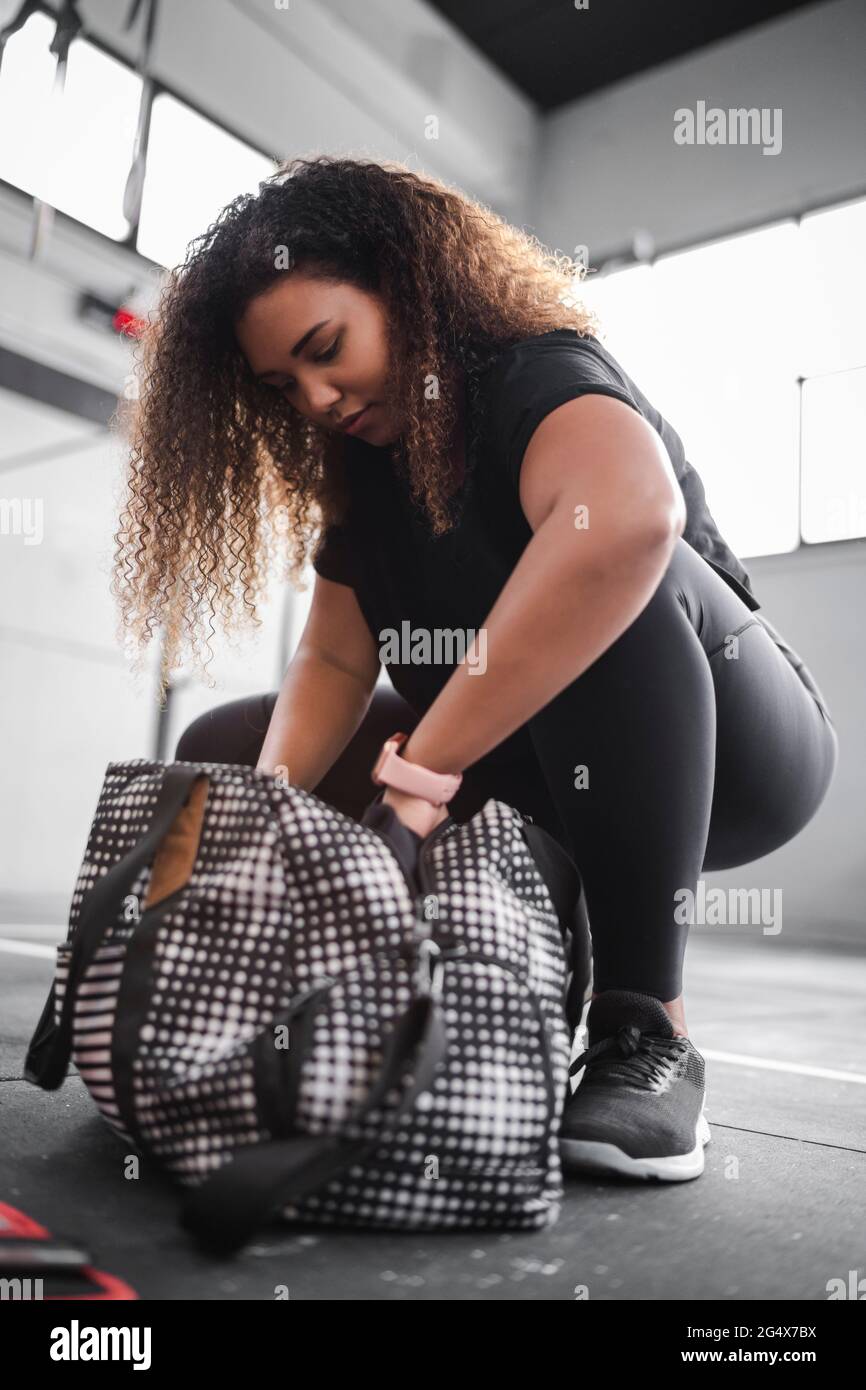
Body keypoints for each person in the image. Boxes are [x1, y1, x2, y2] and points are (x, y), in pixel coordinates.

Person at [111, 155, 839, 1184]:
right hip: (532, 771)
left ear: (402, 286)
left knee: (605, 569)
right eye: (283, 385)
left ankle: (646, 1028)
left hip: (733, 749)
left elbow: (629, 522)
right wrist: (258, 819)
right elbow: (330, 654)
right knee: (221, 752)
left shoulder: (528, 374)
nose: (314, 397)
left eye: (327, 351)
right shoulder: (358, 467)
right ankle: (505, 952)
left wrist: (411, 791)